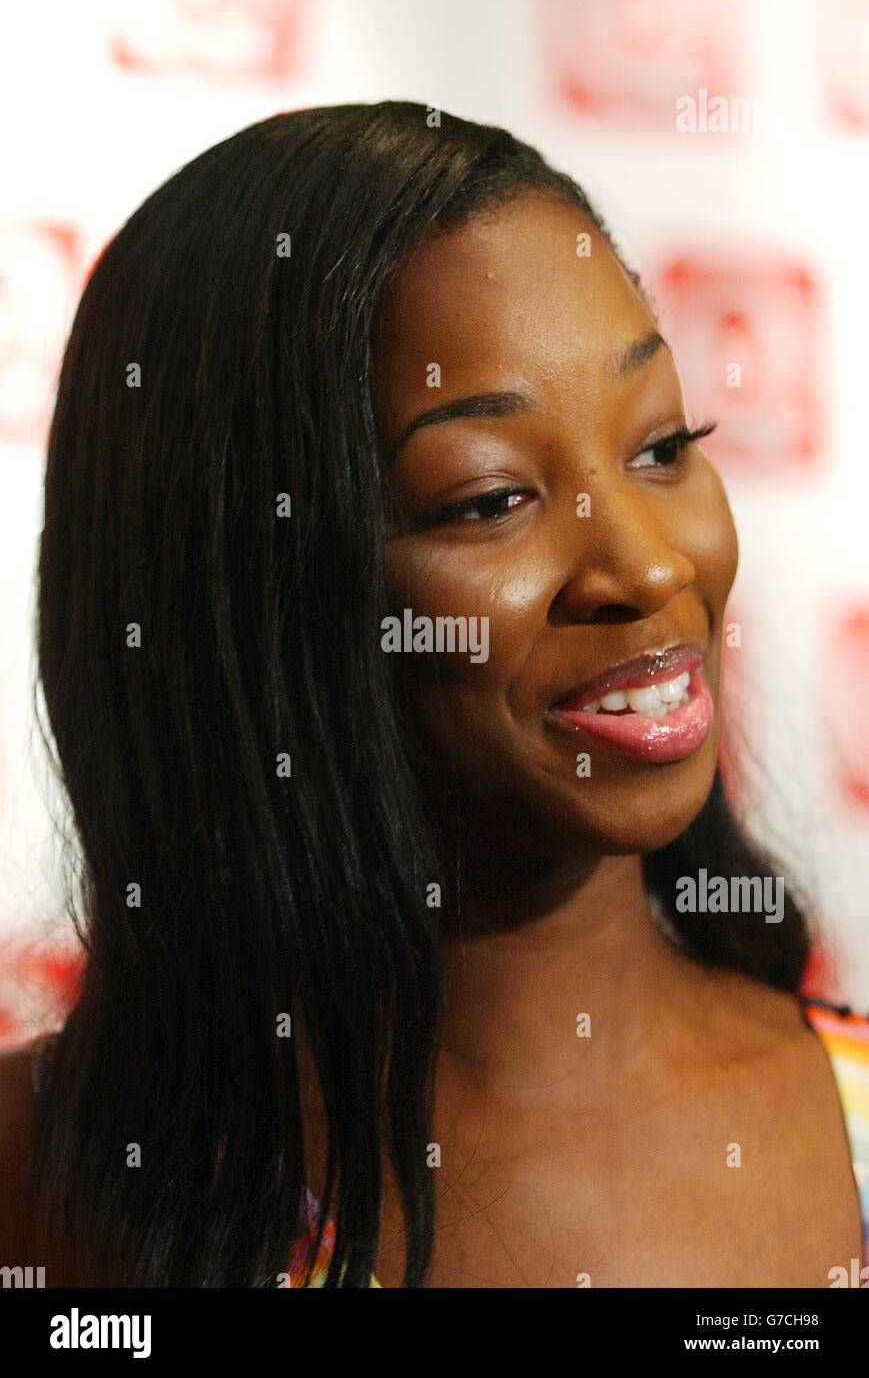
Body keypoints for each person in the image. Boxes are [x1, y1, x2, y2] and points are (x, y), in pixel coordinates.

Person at [0, 102, 866, 1289]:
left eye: (661, 443)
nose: (651, 566)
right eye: (487, 499)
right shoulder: (34, 1179)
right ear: (246, 593)